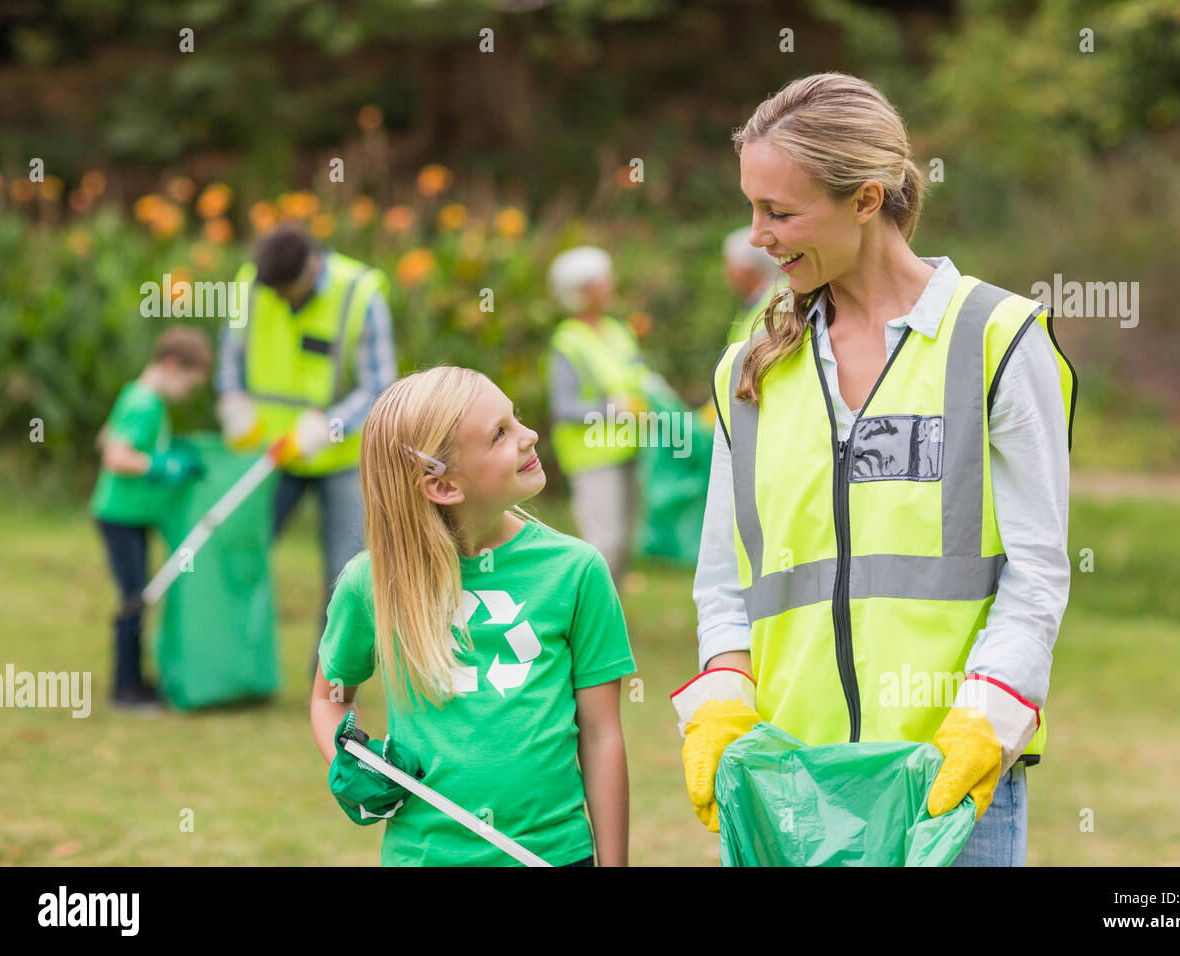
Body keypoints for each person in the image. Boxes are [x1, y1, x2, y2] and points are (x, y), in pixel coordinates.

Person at [673, 72, 1077, 866]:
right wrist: (721, 698)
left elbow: (1036, 571)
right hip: (788, 787)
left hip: (946, 786)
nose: (757, 235)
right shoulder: (747, 371)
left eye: (780, 212)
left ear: (865, 200)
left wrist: (985, 720)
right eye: (751, 207)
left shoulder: (997, 338)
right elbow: (726, 578)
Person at [309, 367, 635, 866]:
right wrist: (349, 758)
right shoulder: (372, 583)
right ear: (442, 487)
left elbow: (602, 734)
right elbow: (329, 696)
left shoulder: (577, 571)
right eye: (500, 434)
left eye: (516, 419)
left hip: (556, 855)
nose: (530, 436)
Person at [214, 221, 397, 677]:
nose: (279, 300)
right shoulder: (249, 285)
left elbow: (381, 386)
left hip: (339, 457)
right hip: (270, 453)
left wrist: (330, 425)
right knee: (239, 549)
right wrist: (232, 401)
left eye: (287, 292)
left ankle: (329, 681)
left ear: (313, 266)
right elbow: (230, 358)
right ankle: (230, 665)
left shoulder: (360, 293)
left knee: (345, 573)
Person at [90, 325, 213, 709]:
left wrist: (162, 454)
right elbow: (113, 455)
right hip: (119, 517)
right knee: (134, 599)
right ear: (172, 366)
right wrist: (159, 464)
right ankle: (124, 689)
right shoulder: (143, 403)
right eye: (189, 385)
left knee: (141, 595)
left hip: (133, 517)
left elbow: (102, 438)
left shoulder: (140, 398)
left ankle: (135, 680)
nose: (187, 394)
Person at [543, 245, 663, 590]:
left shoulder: (617, 331)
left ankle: (613, 621)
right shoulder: (567, 342)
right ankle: (587, 622)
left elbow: (639, 378)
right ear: (581, 292)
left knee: (625, 543)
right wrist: (612, 410)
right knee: (605, 544)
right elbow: (563, 407)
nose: (610, 285)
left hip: (630, 450)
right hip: (593, 458)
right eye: (602, 281)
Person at [722, 226, 782, 345]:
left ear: (747, 268)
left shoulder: (782, 301)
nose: (725, 272)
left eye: (729, 264)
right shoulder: (754, 304)